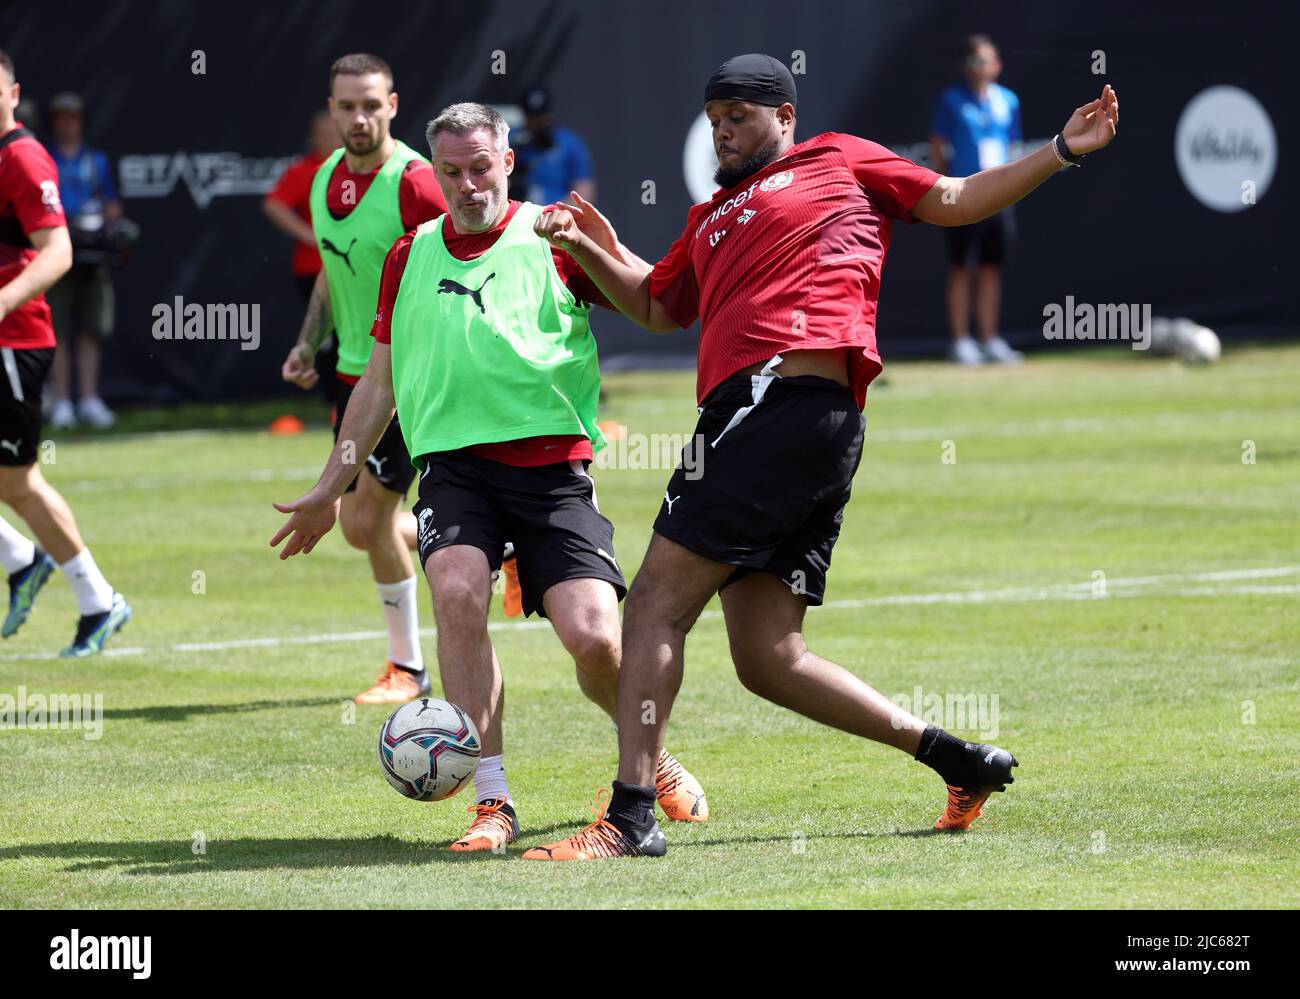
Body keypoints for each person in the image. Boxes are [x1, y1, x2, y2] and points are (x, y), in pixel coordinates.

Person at [525, 54, 1117, 860]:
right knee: (768, 657)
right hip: (795, 426)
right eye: (715, 118)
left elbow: (952, 199)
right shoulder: (710, 216)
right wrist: (596, 246)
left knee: (655, 605)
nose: (725, 128)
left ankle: (631, 817)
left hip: (779, 402)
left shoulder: (837, 156)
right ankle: (958, 760)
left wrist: (1061, 149)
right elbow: (658, 304)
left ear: (786, 117)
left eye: (740, 113)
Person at [270, 102, 708, 852]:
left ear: (508, 163)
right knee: (458, 592)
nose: (470, 184)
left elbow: (659, 307)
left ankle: (650, 759)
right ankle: (492, 800)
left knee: (594, 636)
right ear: (434, 173)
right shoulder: (408, 256)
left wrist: (600, 247)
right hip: (455, 470)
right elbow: (378, 383)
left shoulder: (554, 237)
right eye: (453, 172)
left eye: (482, 167)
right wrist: (329, 486)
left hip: (554, 471)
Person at [276, 53, 455, 706]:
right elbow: (333, 267)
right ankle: (493, 538)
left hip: (403, 383)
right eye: (347, 105)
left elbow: (466, 257)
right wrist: (307, 342)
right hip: (348, 376)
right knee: (359, 525)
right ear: (331, 110)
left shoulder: (415, 181)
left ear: (394, 105)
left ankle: (408, 668)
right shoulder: (324, 180)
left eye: (371, 105)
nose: (359, 117)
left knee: (369, 516)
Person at [0, 50, 131, 657]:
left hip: (14, 340)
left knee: (20, 483)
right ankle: (30, 563)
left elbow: (57, 253)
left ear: (13, 92)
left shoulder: (23, 157)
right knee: (18, 483)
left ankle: (92, 596)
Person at [930, 35, 1024, 366]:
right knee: (961, 267)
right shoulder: (951, 100)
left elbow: (1012, 147)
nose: (978, 67)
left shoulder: (1009, 101)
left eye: (984, 60)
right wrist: (945, 186)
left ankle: (989, 339)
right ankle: (961, 341)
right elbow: (938, 145)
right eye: (972, 61)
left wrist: (1012, 186)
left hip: (1000, 197)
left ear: (997, 65)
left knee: (990, 268)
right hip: (964, 194)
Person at [45, 92, 122, 428]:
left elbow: (111, 203)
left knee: (91, 329)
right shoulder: (45, 158)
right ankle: (61, 401)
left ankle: (89, 398)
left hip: (92, 255)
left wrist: (107, 228)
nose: (68, 124)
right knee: (57, 329)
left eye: (73, 117)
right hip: (57, 248)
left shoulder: (96, 161)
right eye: (62, 118)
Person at [509, 87, 595, 206]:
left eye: (540, 117)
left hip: (557, 214)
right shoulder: (513, 140)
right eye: (531, 118)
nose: (537, 124)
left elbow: (584, 190)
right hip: (518, 213)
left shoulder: (569, 144)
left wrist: (556, 213)